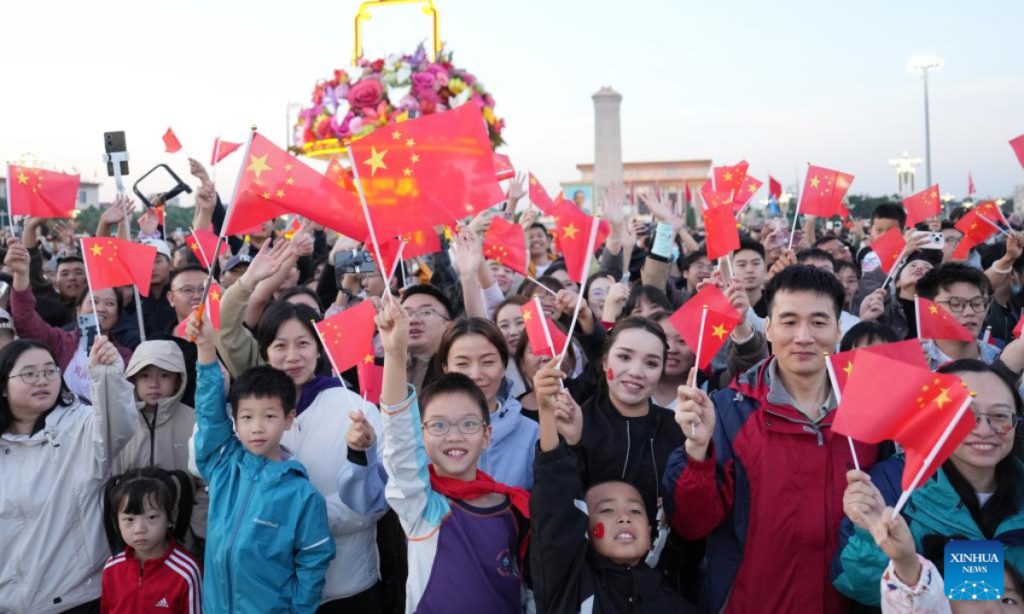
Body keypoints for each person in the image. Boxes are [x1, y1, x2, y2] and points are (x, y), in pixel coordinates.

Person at [663, 265, 878, 613]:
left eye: (819, 322)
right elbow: (692, 524)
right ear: (768, 327)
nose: (803, 336)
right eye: (789, 321)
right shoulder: (728, 411)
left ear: (839, 328)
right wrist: (696, 453)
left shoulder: (871, 410)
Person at [369, 298, 530, 613]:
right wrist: (395, 353)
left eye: (468, 424)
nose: (454, 436)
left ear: (486, 435)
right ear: (422, 435)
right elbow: (399, 442)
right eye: (439, 425)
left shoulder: (512, 505)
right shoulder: (422, 506)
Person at [833, 359, 1024, 607]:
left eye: (1000, 416)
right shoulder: (893, 483)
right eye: (965, 414)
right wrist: (871, 535)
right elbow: (857, 585)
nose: (985, 430)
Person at [189, 314, 335, 613]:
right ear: (235, 420)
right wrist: (205, 349)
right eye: (246, 417)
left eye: (269, 416)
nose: (257, 427)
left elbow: (313, 563)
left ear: (288, 419)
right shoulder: (223, 467)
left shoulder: (302, 495)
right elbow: (209, 416)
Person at [529, 358, 694, 613]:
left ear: (650, 531)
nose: (625, 517)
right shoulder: (568, 586)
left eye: (636, 511)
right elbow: (554, 508)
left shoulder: (677, 605)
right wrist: (548, 416)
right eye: (606, 510)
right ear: (584, 529)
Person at [0, 337, 138, 613]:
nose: (42, 380)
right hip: (9, 602)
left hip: (77, 597)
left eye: (50, 371)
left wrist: (107, 377)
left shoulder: (80, 425)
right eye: (29, 373)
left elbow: (117, 427)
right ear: (3, 386)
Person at [107, 340, 208, 546]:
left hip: (182, 537)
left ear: (178, 380)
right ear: (132, 380)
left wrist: (193, 525)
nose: (153, 384)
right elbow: (110, 480)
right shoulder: (120, 423)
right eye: (144, 376)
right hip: (132, 536)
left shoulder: (195, 421)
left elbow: (206, 483)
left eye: (164, 375)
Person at [6, 238, 133, 401]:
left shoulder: (125, 357)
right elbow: (25, 321)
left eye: (110, 303)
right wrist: (21, 274)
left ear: (118, 315)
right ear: (78, 310)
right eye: (93, 301)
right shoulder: (60, 341)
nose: (100, 308)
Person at [435, 318, 539, 489]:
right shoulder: (427, 431)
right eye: (462, 364)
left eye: (488, 362)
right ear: (446, 368)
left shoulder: (531, 433)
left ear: (503, 367)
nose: (476, 374)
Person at [100, 468, 203, 613]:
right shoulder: (112, 568)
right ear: (116, 521)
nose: (139, 529)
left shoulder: (187, 572)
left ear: (171, 517)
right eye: (129, 519)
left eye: (151, 517)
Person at [916, 263, 999, 365]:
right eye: (956, 304)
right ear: (928, 309)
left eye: (977, 303)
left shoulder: (1002, 361)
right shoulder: (910, 364)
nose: (970, 312)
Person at [401, 284, 455, 391]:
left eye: (426, 312)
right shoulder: (385, 366)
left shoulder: (456, 368)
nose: (413, 320)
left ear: (449, 325)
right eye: (406, 314)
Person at [733, 239, 768, 317]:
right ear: (731, 269)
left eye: (756, 263)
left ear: (765, 268)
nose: (749, 270)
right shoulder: (726, 307)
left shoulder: (776, 304)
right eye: (742, 265)